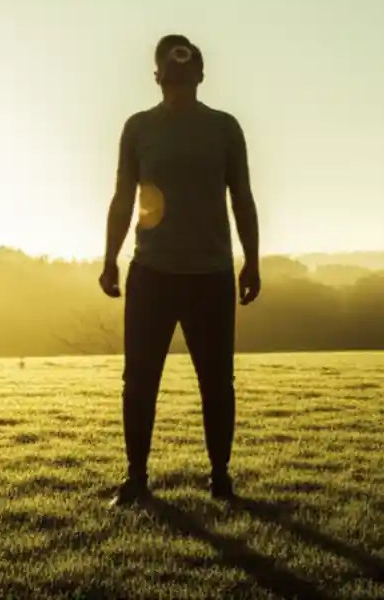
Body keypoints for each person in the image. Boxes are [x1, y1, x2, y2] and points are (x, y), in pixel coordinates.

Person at [99, 34, 260, 507]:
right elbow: (122, 197)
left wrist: (251, 258)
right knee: (140, 380)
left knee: (217, 380)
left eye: (184, 71)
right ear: (158, 78)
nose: (178, 79)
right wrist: (110, 257)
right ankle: (135, 479)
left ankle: (220, 478)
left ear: (199, 76)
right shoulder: (138, 128)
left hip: (210, 274)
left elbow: (242, 198)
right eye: (172, 72)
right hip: (152, 273)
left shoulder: (226, 128)